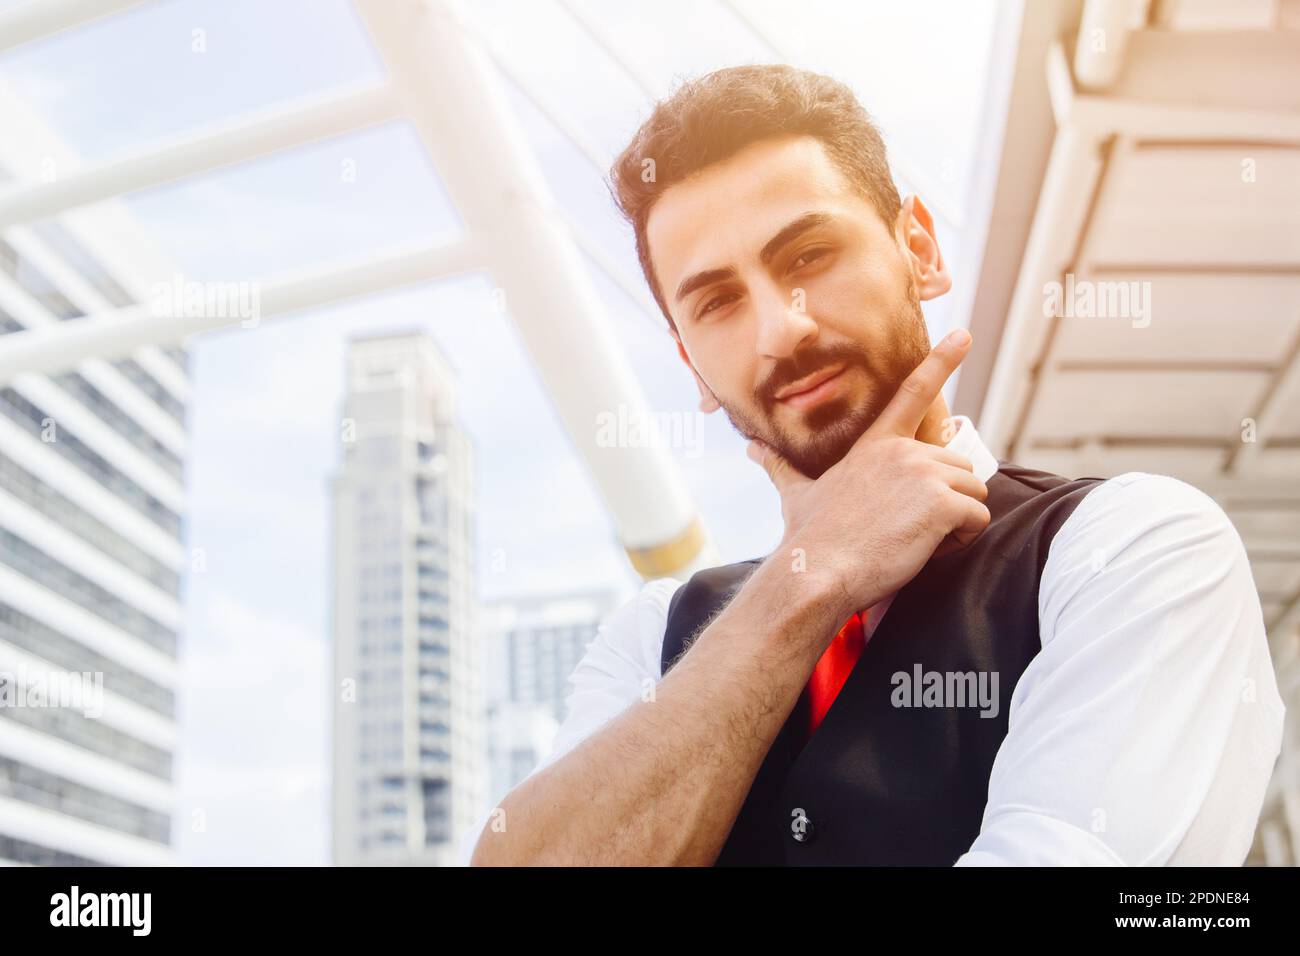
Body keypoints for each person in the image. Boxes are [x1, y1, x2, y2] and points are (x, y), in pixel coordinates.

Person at [468, 64, 1284, 866]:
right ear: (691, 368)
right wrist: (807, 579)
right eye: (718, 302)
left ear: (919, 250)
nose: (780, 331)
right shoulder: (653, 634)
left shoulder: (1130, 547)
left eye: (808, 256)